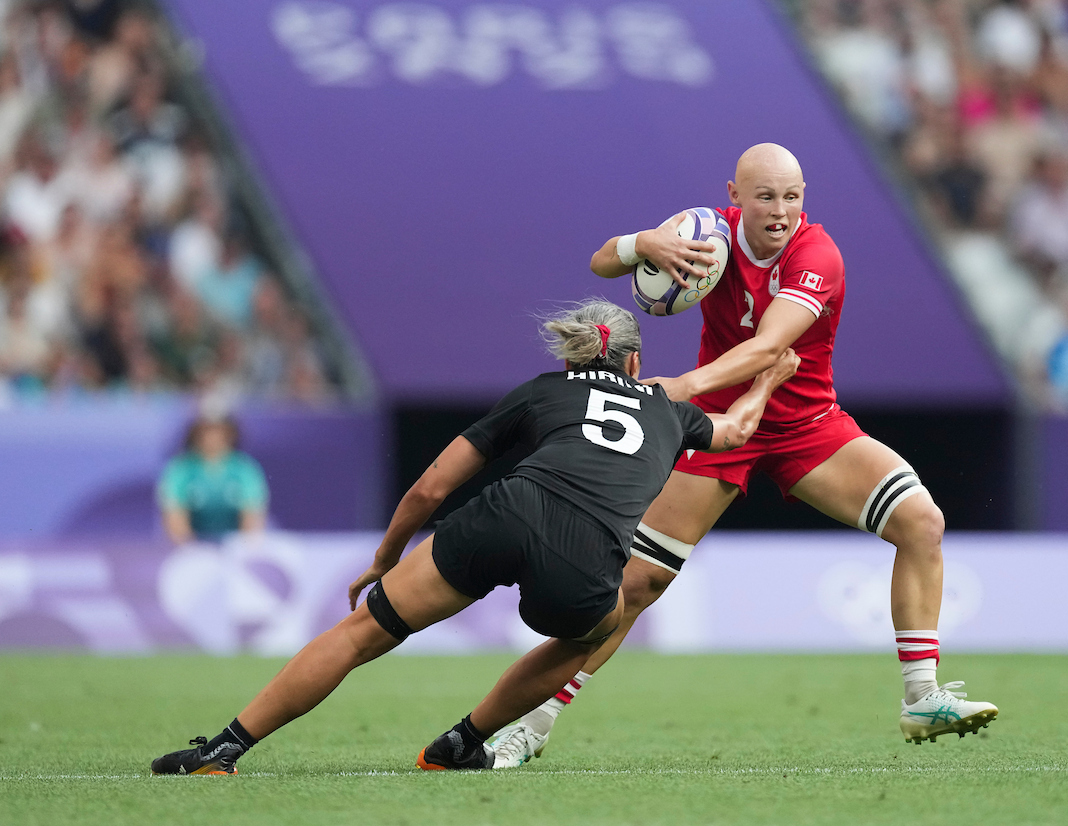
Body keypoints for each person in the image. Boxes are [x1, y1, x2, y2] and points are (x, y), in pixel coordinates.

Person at [492, 144, 999, 767]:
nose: (780, 211)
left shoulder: (819, 255)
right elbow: (602, 262)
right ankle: (532, 725)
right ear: (734, 196)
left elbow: (768, 348)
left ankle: (921, 696)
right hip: (716, 429)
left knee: (921, 522)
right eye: (765, 197)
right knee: (635, 583)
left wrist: (679, 387)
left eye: (792, 196)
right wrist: (644, 244)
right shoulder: (707, 233)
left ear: (805, 195)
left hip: (806, 426)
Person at [149, 299, 798, 774]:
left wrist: (383, 558)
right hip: (587, 554)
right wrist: (768, 378)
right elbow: (738, 432)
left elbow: (432, 486)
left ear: (575, 355)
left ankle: (225, 748)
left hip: (506, 512)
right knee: (608, 620)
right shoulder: (670, 411)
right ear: (635, 362)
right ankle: (464, 740)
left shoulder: (542, 392)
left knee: (360, 634)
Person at [157, 414, 268, 543]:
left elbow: (252, 520)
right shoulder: (180, 470)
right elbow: (175, 520)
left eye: (219, 430)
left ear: (230, 433)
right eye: (206, 430)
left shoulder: (245, 470)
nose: (212, 436)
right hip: (194, 548)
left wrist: (243, 549)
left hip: (234, 547)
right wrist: (192, 549)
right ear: (195, 434)